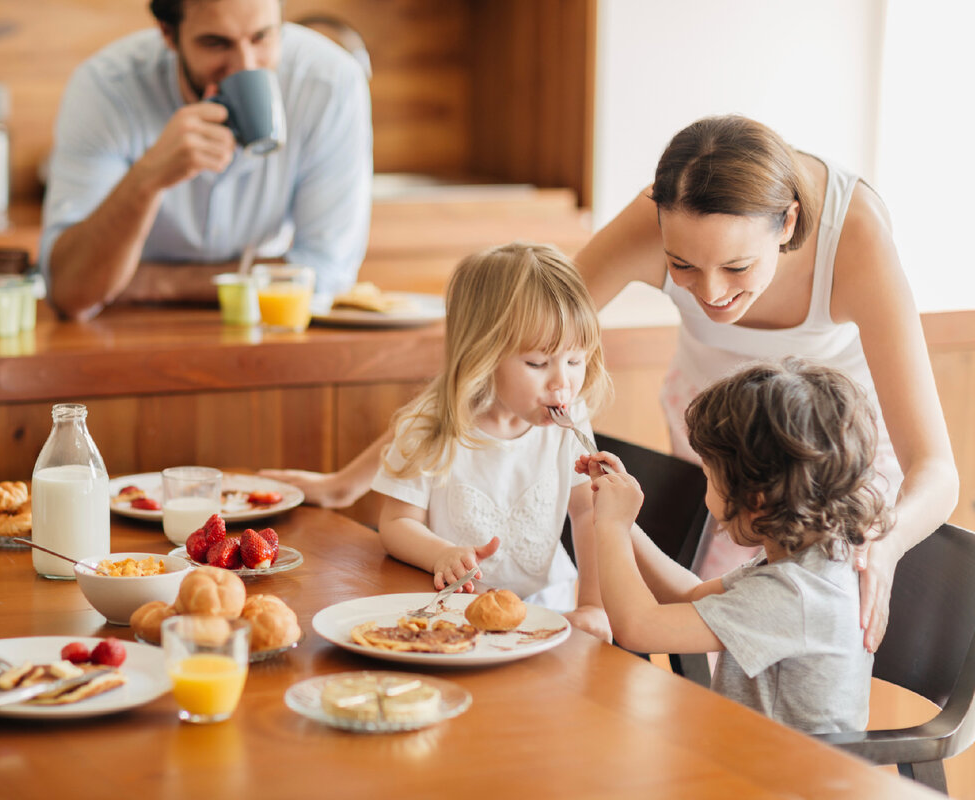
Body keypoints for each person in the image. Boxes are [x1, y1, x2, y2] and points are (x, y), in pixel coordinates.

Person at [262, 114, 959, 651]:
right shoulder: (659, 212)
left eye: (738, 269)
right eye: (681, 267)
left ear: (789, 225)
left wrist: (886, 542)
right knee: (714, 628)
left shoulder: (854, 233)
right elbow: (492, 356)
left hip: (830, 455)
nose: (710, 295)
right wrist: (349, 483)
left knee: (798, 630)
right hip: (715, 434)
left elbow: (937, 468)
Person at [582, 358, 891, 734]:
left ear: (756, 499)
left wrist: (610, 526)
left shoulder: (794, 594)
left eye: (709, 476)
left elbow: (637, 626)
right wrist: (624, 523)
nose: (705, 486)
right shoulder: (812, 558)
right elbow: (691, 595)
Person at [40, 0, 373, 320]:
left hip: (262, 329)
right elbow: (71, 292)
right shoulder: (106, 88)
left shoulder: (330, 83)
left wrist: (151, 282)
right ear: (169, 34)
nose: (246, 65)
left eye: (262, 37)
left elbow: (326, 273)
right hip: (127, 334)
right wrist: (147, 179)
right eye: (216, 43)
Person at [371, 242, 613, 639]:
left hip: (548, 610)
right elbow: (396, 522)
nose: (562, 382)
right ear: (482, 353)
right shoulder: (431, 424)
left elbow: (587, 514)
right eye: (537, 363)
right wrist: (440, 554)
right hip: (454, 615)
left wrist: (592, 605)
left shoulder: (572, 421)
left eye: (575, 361)